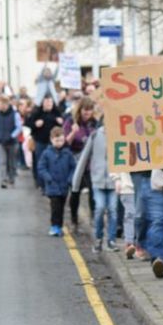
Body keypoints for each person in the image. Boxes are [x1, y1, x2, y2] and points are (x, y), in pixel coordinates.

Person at [74, 122, 119, 253]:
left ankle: (111, 240)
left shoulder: (118, 135)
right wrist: (76, 184)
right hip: (98, 181)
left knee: (112, 210)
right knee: (99, 208)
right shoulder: (94, 136)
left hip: (113, 181)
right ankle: (99, 239)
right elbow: (84, 158)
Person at [64, 96, 98, 232]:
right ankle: (74, 220)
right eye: (85, 110)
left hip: (90, 161)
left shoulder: (94, 123)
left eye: (90, 110)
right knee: (75, 191)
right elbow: (66, 142)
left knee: (93, 190)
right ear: (80, 109)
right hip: (75, 161)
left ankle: (94, 218)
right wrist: (73, 132)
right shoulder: (71, 121)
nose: (87, 113)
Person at [38, 127, 77, 237]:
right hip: (52, 186)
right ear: (51, 140)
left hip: (64, 185)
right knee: (55, 207)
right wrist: (48, 178)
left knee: (61, 207)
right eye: (57, 140)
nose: (59, 143)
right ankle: (54, 226)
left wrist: (70, 179)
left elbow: (73, 168)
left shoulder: (67, 154)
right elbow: (41, 167)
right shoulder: (46, 153)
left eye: (61, 140)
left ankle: (59, 226)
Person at [27, 95, 65, 191]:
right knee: (41, 163)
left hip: (53, 143)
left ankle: (51, 183)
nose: (48, 104)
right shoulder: (37, 113)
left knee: (53, 163)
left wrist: (61, 122)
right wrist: (35, 124)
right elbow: (28, 123)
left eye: (50, 102)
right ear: (43, 103)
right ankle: (41, 184)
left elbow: (64, 125)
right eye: (46, 102)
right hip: (40, 142)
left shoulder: (57, 113)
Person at [0, 95, 23, 188]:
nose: (1, 106)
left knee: (12, 161)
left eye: (3, 104)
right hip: (1, 141)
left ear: (7, 104)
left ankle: (11, 178)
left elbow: (19, 127)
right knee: (2, 161)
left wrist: (12, 136)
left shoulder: (15, 114)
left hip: (12, 142)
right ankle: (3, 180)